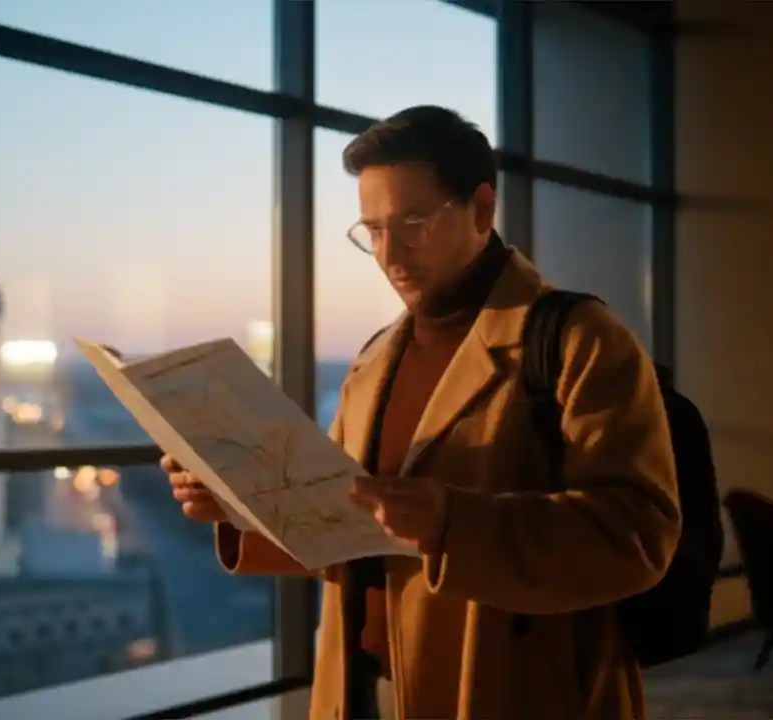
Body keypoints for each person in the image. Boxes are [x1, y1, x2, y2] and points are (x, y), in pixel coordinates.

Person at [160, 105, 680, 720]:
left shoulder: (577, 340)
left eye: (413, 222)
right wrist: (239, 506)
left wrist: (454, 524)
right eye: (372, 230)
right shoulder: (373, 362)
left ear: (482, 210)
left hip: (510, 690)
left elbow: (638, 533)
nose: (390, 253)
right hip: (363, 689)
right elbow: (340, 527)